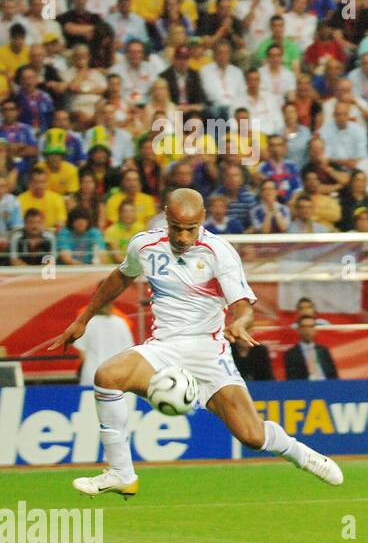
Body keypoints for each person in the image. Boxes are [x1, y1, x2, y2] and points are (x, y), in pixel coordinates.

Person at [48, 188, 343, 498]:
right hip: (163, 347)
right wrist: (84, 319)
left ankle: (301, 454)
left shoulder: (219, 252)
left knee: (252, 436)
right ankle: (121, 473)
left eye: (191, 229)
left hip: (209, 352)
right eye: (177, 228)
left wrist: (239, 322)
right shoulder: (145, 245)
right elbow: (122, 276)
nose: (184, 237)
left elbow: (243, 306)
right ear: (166, 216)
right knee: (107, 376)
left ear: (202, 219)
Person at [72, 303, 134, 387]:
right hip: (116, 376)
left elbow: (82, 354)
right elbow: (128, 353)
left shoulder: (86, 323)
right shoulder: (121, 323)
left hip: (91, 376)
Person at [283, 313, 339, 381]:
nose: (307, 330)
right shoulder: (291, 354)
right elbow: (292, 380)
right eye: (304, 326)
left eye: (311, 326)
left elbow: (333, 375)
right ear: (298, 330)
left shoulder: (324, 351)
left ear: (315, 330)